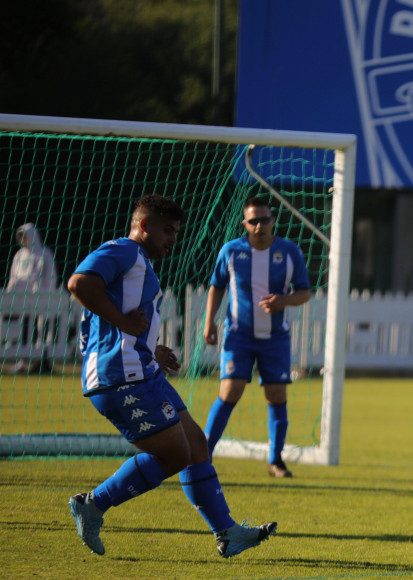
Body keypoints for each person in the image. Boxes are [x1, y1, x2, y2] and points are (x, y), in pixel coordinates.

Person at [66, 193, 276, 558]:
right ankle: (93, 504)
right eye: (167, 230)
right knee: (176, 454)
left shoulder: (139, 262)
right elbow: (79, 283)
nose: (173, 239)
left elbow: (124, 318)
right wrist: (124, 323)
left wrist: (150, 346)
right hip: (120, 377)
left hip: (141, 369)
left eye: (177, 232)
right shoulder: (124, 250)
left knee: (195, 445)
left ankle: (228, 533)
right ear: (143, 225)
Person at [203, 196, 312, 478]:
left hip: (276, 338)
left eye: (264, 219)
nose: (259, 225)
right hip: (238, 335)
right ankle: (203, 455)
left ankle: (275, 461)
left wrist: (283, 301)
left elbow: (304, 292)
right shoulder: (231, 251)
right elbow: (216, 287)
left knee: (276, 395)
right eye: (253, 221)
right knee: (230, 392)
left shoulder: (289, 252)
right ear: (245, 223)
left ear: (273, 220)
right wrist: (209, 322)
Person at [7, 223, 58, 373]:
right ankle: (21, 361)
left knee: (41, 330)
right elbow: (13, 277)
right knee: (22, 329)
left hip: (40, 300)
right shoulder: (19, 255)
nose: (23, 240)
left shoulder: (44, 253)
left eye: (25, 236)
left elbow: (51, 276)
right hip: (21, 301)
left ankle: (43, 360)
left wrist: (47, 294)